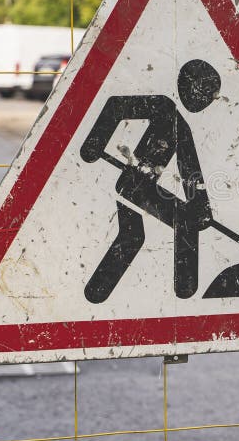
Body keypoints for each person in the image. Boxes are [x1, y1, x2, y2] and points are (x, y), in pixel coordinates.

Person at [80, 59, 220, 302]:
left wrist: (202, 207)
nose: (206, 102)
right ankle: (96, 294)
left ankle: (184, 290)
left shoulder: (182, 127)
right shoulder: (163, 106)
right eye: (206, 94)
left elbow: (190, 171)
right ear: (192, 87)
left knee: (169, 226)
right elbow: (115, 106)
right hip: (132, 183)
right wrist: (93, 143)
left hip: (144, 188)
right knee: (138, 234)